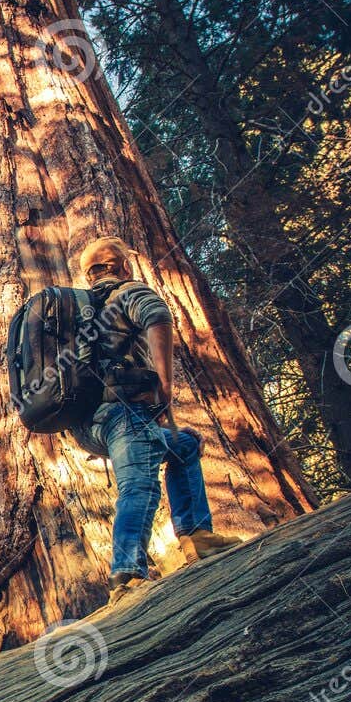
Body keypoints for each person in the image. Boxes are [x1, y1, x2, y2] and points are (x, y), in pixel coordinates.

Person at [68, 236, 242, 605]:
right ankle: (127, 574)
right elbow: (158, 318)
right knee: (140, 486)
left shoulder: (79, 312)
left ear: (89, 274)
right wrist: (164, 386)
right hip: (124, 414)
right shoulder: (129, 292)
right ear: (122, 266)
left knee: (184, 445)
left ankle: (198, 537)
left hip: (87, 426)